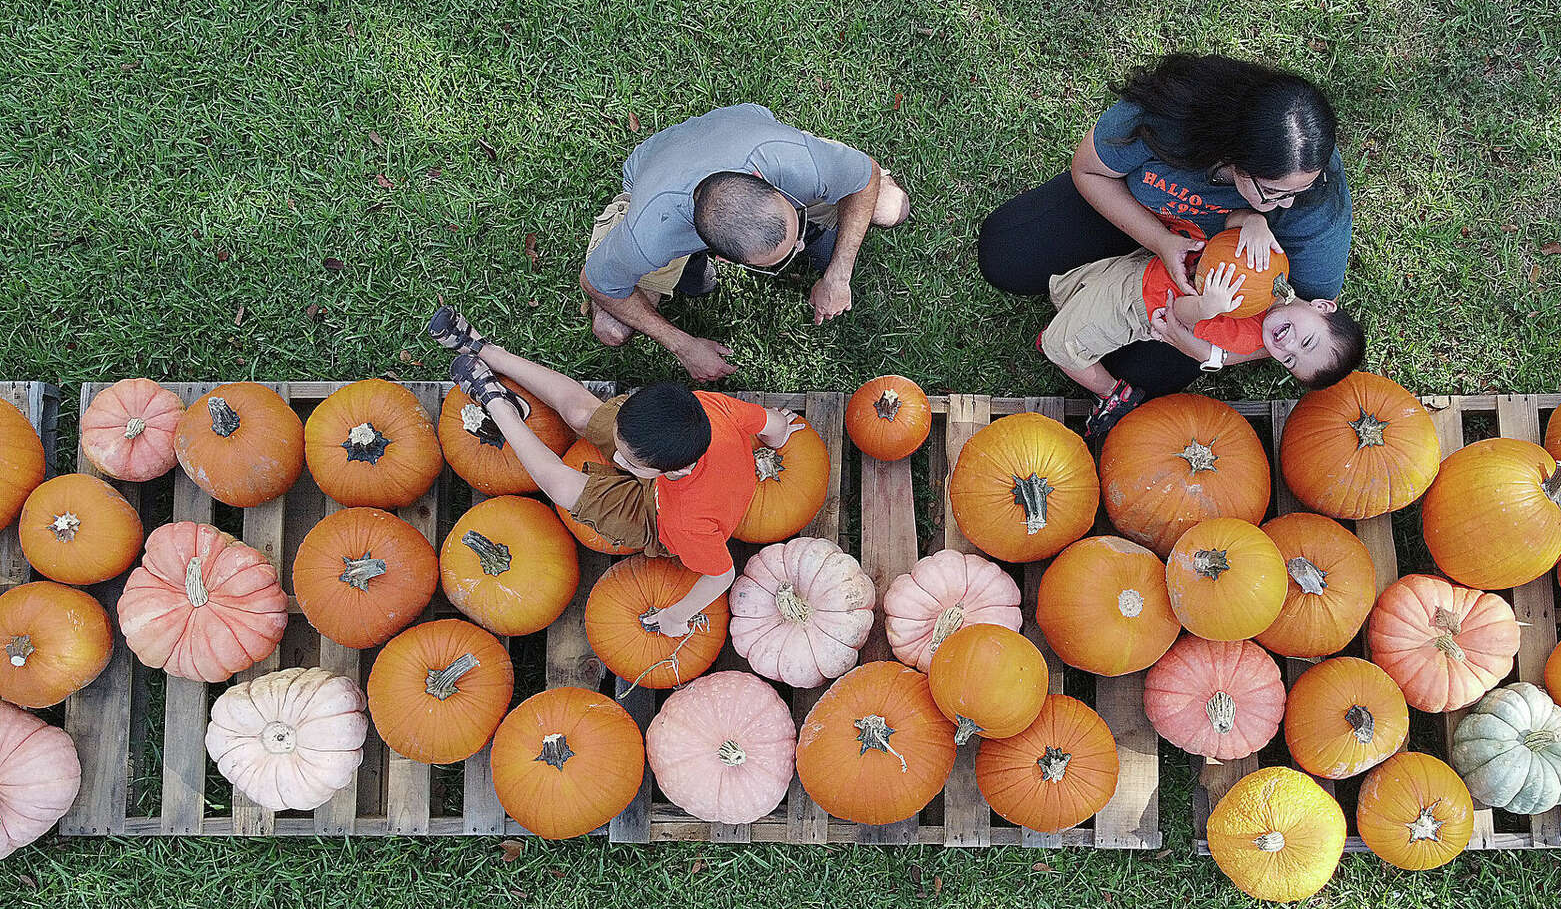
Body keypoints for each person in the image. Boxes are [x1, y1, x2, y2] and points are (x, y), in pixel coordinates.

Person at [978, 54, 1354, 401]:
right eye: (1272, 192)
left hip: (1199, 292)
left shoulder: (1315, 200)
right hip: (1132, 214)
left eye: (1298, 191)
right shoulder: (1168, 115)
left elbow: (1291, 313)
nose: (1286, 204)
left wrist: (1209, 353)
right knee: (1005, 255)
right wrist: (1159, 241)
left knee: (1140, 377)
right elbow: (1088, 171)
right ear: (1234, 155)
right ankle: (1107, 275)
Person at [428, 307, 792, 636]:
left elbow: (720, 574)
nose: (618, 462)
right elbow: (770, 423)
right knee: (583, 414)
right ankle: (487, 351)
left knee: (562, 485)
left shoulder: (687, 524)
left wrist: (676, 616)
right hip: (663, 467)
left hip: (657, 515)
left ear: (675, 469)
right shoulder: (707, 409)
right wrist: (780, 436)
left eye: (630, 464)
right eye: (620, 448)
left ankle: (497, 404)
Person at [580, 104, 911, 382]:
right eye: (784, 255)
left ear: (760, 181)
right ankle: (691, 269)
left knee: (892, 206)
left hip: (739, 132)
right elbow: (597, 283)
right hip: (655, 172)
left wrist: (838, 275)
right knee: (611, 328)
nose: (797, 245)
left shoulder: (791, 160)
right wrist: (685, 346)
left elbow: (865, 174)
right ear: (723, 257)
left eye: (796, 230)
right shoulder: (648, 234)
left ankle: (807, 229)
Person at [1040, 249, 1364, 436]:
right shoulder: (1276, 272)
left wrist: (1208, 307)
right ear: (1322, 307)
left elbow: (1178, 315)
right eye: (1306, 341)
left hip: (1135, 305)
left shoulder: (1247, 335)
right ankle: (1067, 322)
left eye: (1289, 361)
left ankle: (1113, 392)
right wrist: (1254, 224)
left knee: (1062, 346)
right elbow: (1233, 229)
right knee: (1069, 293)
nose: (1287, 346)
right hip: (1144, 267)